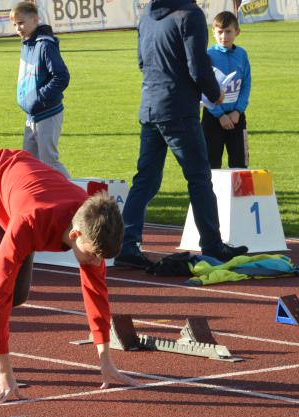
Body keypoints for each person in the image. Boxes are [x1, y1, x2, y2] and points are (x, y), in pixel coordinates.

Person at [0, 149, 136, 403]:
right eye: (93, 255)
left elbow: (96, 293)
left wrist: (106, 361)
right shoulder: (31, 221)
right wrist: (4, 373)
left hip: (18, 189)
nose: (97, 262)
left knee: (18, 294)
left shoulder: (93, 229)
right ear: (74, 235)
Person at [115, 0, 247, 268]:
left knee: (146, 180)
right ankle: (212, 244)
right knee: (199, 177)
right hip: (178, 108)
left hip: (150, 104)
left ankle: (127, 244)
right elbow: (197, 65)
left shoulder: (147, 16)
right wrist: (215, 93)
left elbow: (142, 61)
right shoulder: (190, 15)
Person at [10, 1, 69, 176]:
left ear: (35, 20)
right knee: (29, 164)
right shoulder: (27, 45)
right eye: (14, 25)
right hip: (31, 115)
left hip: (47, 113)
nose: (18, 28)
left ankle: (77, 195)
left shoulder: (45, 45)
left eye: (21, 23)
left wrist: (40, 97)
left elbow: (62, 76)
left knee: (49, 162)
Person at [202, 11, 250, 169]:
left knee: (240, 163)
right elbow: (203, 90)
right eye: (220, 32)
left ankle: (238, 194)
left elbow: (246, 85)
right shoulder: (207, 56)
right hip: (213, 118)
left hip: (237, 118)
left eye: (228, 31)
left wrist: (238, 111)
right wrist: (220, 115)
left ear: (237, 32)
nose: (224, 36)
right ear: (213, 33)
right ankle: (212, 194)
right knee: (211, 163)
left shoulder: (242, 55)